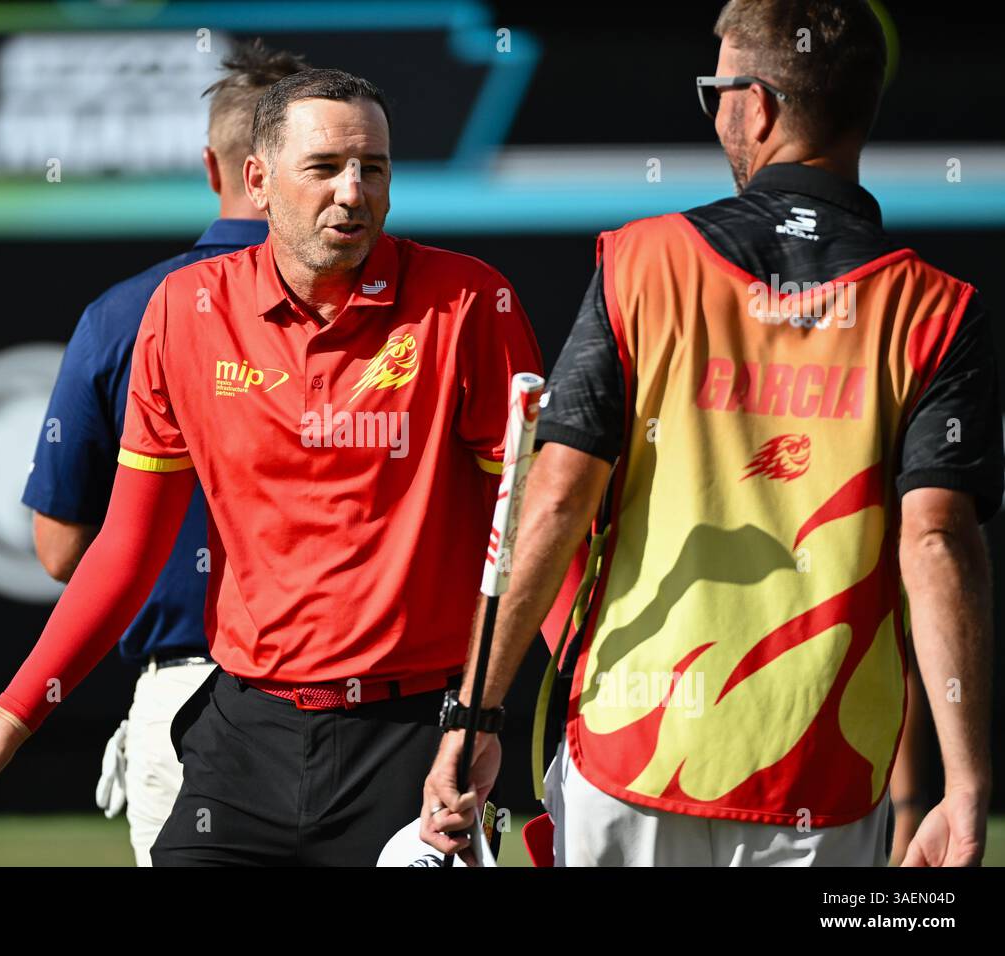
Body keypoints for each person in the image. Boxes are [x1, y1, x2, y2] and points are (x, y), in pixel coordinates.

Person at [0, 68, 542, 866]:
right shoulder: (183, 311)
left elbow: (533, 533)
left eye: (373, 168)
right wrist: (14, 713)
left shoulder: (470, 302)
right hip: (242, 738)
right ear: (257, 181)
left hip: (415, 743)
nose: (354, 191)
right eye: (326, 166)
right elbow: (127, 548)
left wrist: (502, 715)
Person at [421, 0, 1000, 867]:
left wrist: (475, 715)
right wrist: (964, 785)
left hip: (631, 752)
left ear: (755, 106)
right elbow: (939, 542)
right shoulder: (939, 310)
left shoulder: (642, 263)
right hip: (825, 775)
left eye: (716, 89)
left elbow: (555, 499)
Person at [22, 39, 310, 867]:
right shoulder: (396, 314)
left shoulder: (121, 315)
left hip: (183, 687)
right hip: (362, 697)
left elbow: (58, 548)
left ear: (212, 166)